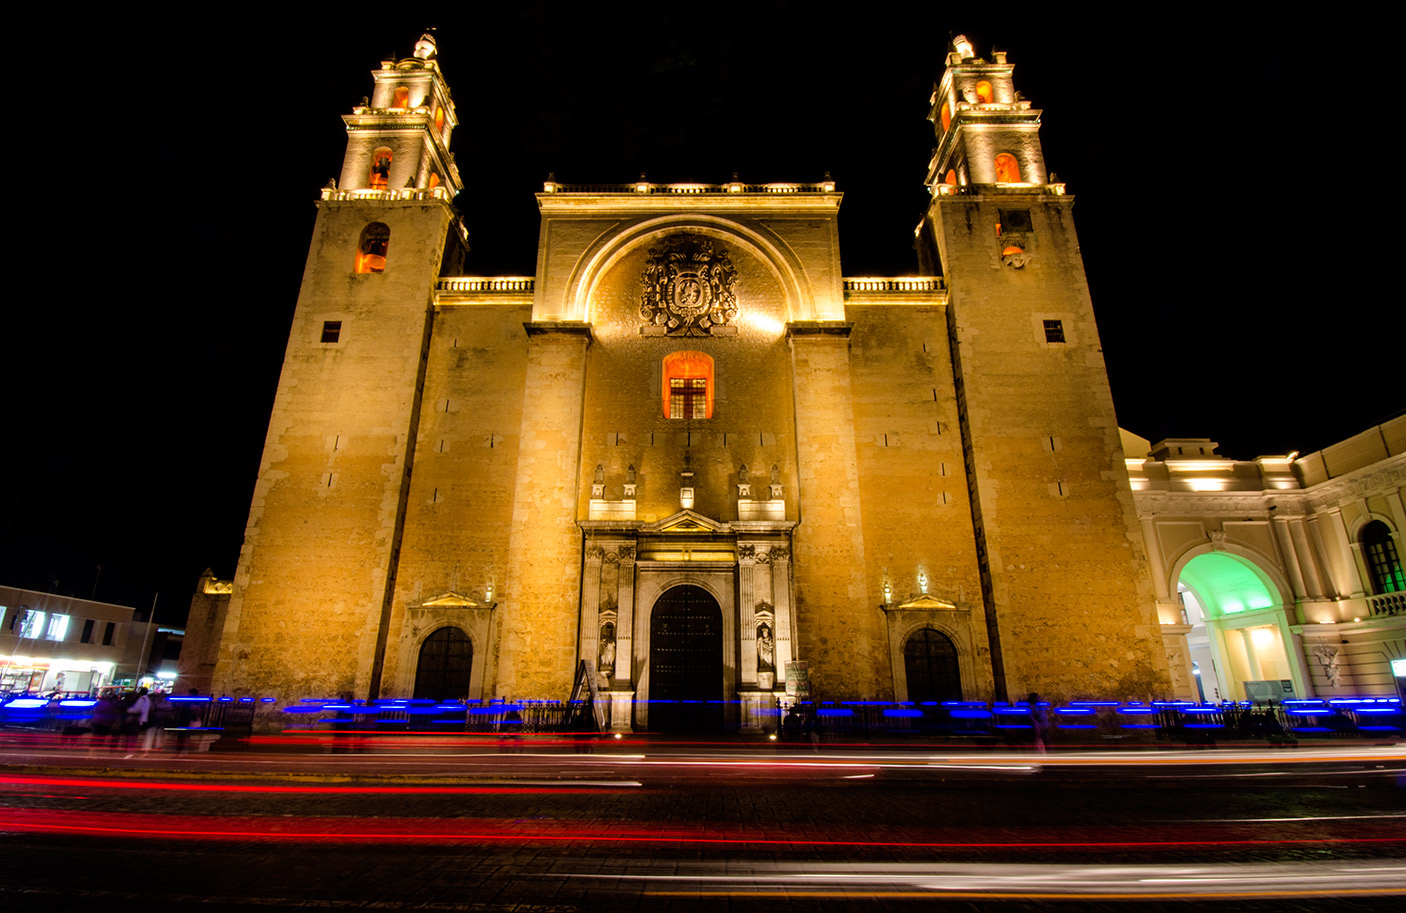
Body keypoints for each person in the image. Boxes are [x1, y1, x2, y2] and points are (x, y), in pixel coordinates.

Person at [124, 688, 152, 757]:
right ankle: (131, 750)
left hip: (136, 719)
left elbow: (136, 709)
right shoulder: (148, 700)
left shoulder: (141, 699)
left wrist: (128, 710)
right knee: (135, 735)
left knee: (132, 735)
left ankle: (130, 751)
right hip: (142, 719)